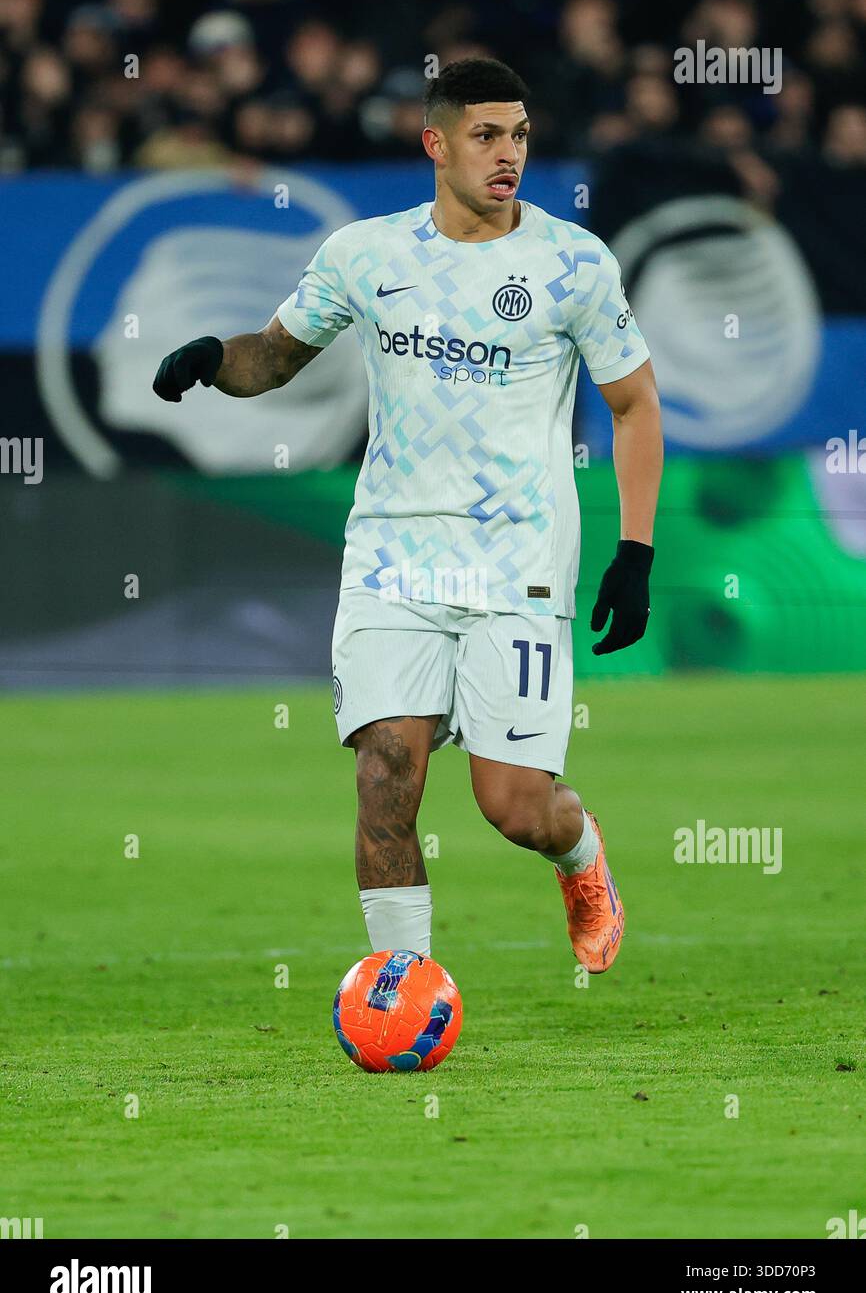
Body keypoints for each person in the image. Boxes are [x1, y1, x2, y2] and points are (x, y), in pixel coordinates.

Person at [152, 57, 663, 974]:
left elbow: (634, 404)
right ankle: (403, 981)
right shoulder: (366, 254)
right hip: (393, 556)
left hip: (518, 560)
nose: (508, 156)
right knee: (387, 770)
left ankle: (581, 858)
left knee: (512, 806)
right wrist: (208, 359)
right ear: (436, 142)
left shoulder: (573, 263)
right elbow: (272, 358)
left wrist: (636, 549)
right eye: (486, 136)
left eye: (518, 136)